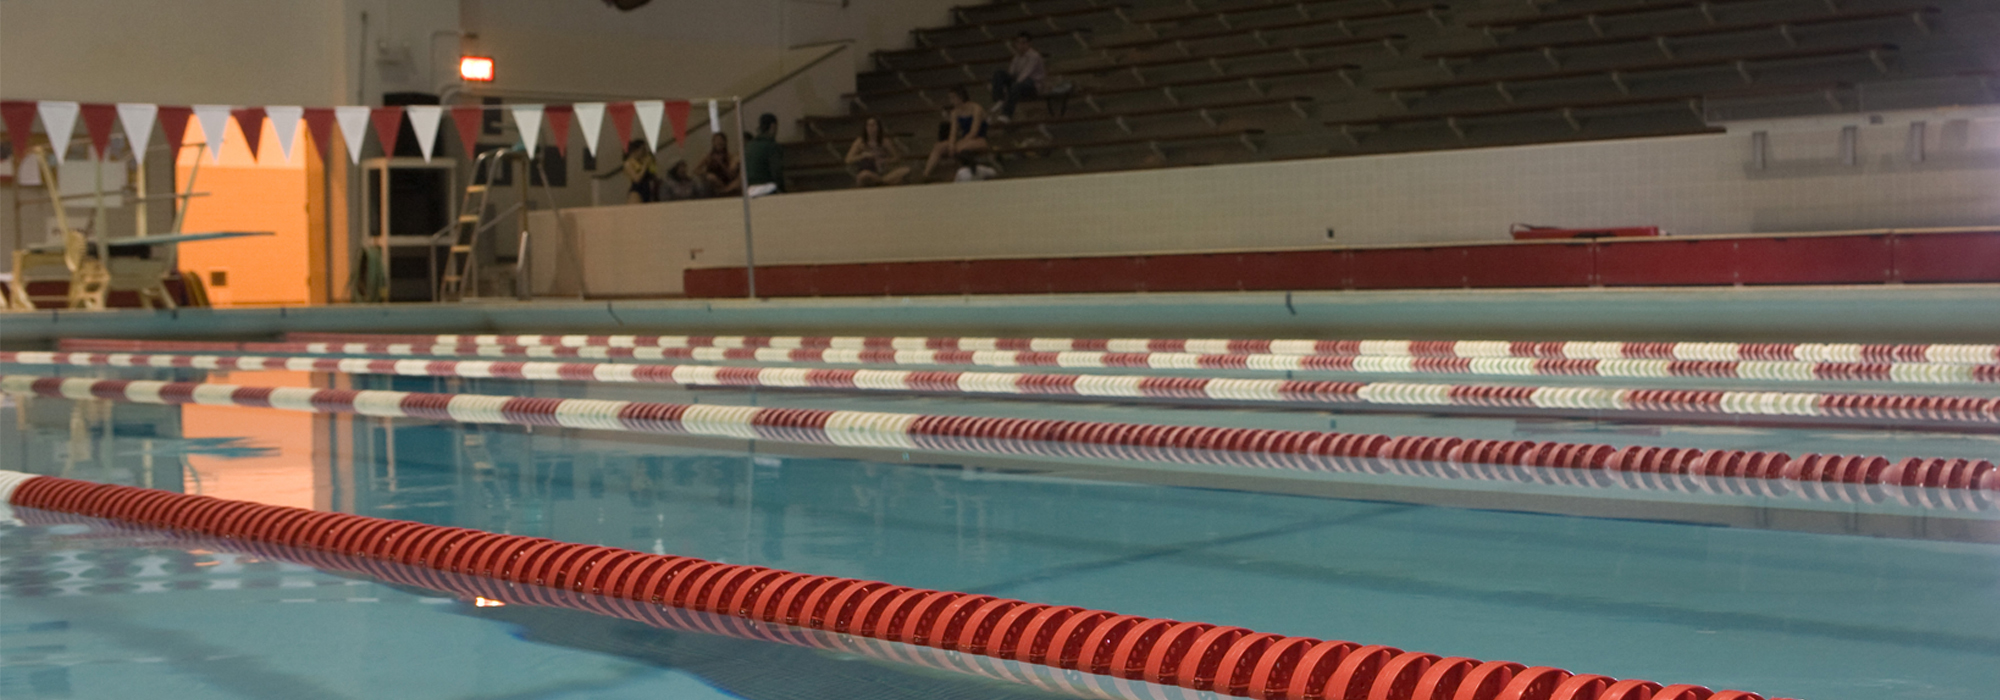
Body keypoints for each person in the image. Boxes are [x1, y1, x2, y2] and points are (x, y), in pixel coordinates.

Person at [924, 87, 989, 180]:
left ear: (960, 97)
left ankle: (958, 174)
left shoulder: (976, 108)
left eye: (953, 98)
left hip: (979, 139)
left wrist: (958, 144)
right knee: (939, 146)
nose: (951, 101)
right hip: (964, 140)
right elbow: (953, 132)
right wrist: (951, 144)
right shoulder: (955, 112)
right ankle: (926, 174)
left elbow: (974, 131)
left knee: (959, 147)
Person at [989, 32, 1045, 123]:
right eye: (1018, 43)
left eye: (1024, 43)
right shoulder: (1017, 57)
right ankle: (999, 99)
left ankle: (1006, 114)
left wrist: (1013, 85)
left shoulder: (1034, 56)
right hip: (1019, 84)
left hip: (1032, 86)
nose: (1021, 45)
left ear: (1029, 44)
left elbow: (1026, 74)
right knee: (999, 73)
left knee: (1019, 84)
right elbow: (1011, 73)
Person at [846, 117, 911, 187]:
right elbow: (848, 160)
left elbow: (896, 158)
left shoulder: (885, 141)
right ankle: (884, 182)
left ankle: (882, 181)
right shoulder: (860, 142)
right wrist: (863, 156)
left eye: (873, 125)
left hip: (883, 171)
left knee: (906, 170)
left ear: (878, 127)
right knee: (864, 175)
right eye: (868, 125)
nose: (871, 128)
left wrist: (884, 161)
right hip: (868, 171)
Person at [744, 113, 785, 195]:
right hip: (767, 189)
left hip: (750, 189)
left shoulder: (749, 146)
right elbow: (776, 172)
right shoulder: (771, 146)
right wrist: (783, 189)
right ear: (773, 126)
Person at [697, 133, 742, 197]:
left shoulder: (729, 156)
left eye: (721, 140)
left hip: (727, 182)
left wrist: (721, 163)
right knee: (711, 177)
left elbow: (731, 175)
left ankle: (725, 190)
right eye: (717, 140)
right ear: (713, 143)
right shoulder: (709, 157)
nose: (719, 142)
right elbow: (696, 170)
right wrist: (706, 174)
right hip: (714, 183)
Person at [621, 139, 662, 203]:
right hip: (637, 190)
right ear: (636, 150)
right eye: (643, 150)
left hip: (647, 189)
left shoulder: (642, 162)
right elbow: (637, 179)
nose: (645, 152)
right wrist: (645, 165)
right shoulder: (628, 163)